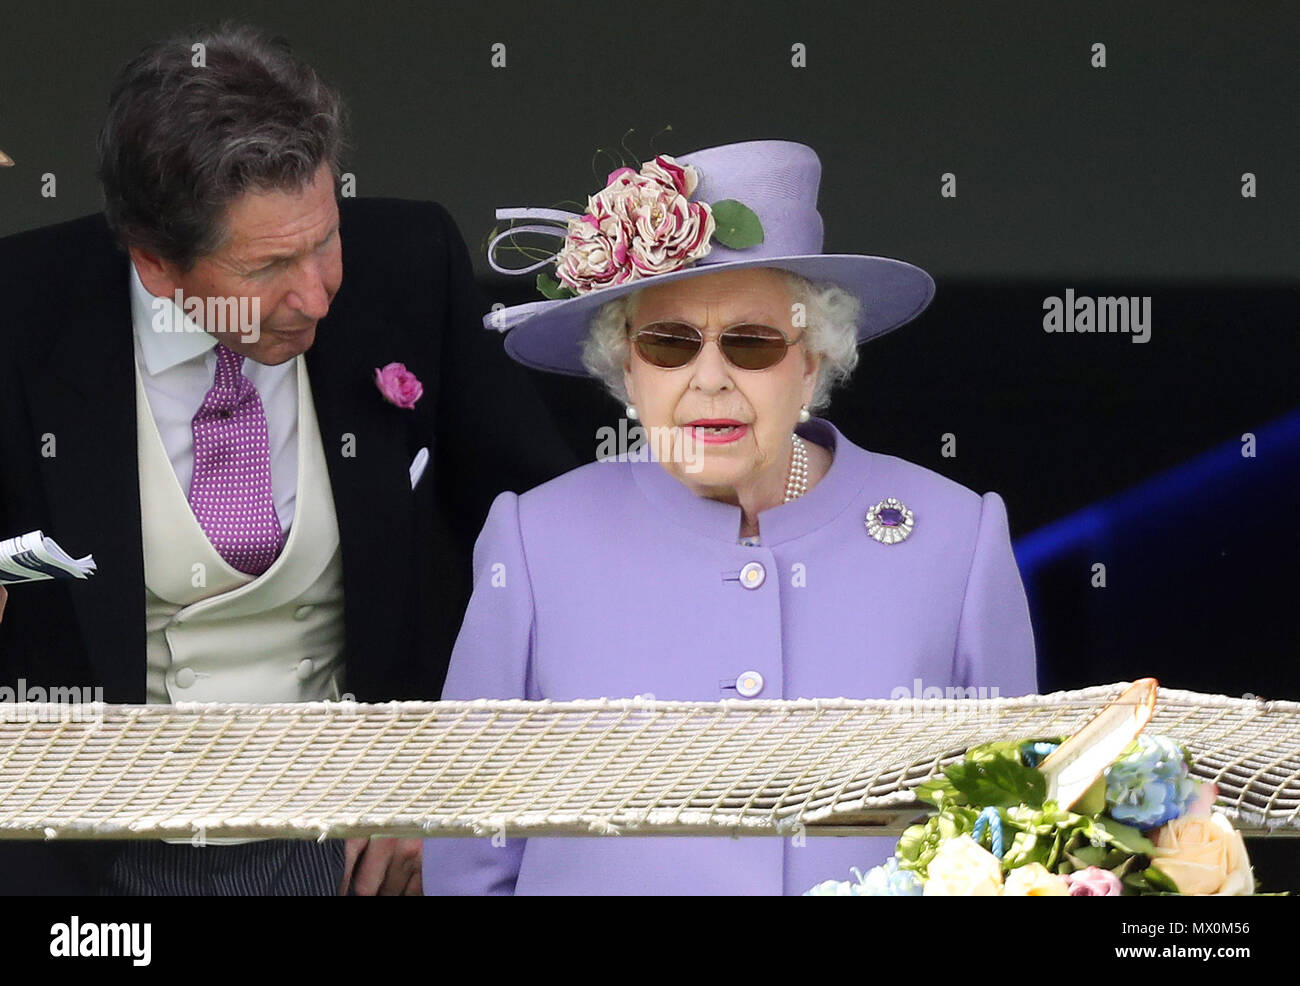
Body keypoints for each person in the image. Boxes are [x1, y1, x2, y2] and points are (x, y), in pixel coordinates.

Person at [0, 24, 570, 894]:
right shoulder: (21, 311)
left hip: (356, 849)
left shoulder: (410, 265)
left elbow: (549, 548)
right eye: (267, 266)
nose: (316, 293)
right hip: (87, 859)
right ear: (155, 263)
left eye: (323, 240)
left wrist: (455, 787)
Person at [421, 140, 1038, 895]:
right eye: (669, 342)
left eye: (751, 343)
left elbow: (1012, 834)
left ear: (812, 362)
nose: (708, 379)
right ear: (626, 366)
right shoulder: (533, 539)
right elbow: (469, 857)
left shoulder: (956, 535)